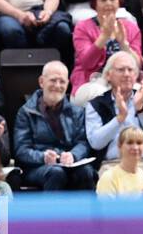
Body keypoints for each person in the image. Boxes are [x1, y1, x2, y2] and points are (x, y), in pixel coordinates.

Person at [13, 60, 97, 189]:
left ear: (68, 84)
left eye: (62, 81)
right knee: (56, 172)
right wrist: (43, 157)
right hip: (37, 167)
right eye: (53, 80)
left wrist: (73, 155)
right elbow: (21, 150)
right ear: (42, 82)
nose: (57, 85)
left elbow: (83, 143)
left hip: (69, 164)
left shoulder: (77, 111)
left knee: (86, 172)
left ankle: (86, 210)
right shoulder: (26, 112)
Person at [84, 49, 143, 176]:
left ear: (136, 75)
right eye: (121, 70)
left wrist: (141, 110)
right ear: (108, 75)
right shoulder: (96, 104)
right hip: (112, 165)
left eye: (130, 70)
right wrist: (119, 118)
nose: (127, 74)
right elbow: (96, 142)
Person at [71, 0, 141, 103]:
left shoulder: (131, 27)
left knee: (141, 94)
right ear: (95, 4)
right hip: (91, 81)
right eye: (103, 0)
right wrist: (104, 37)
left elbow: (137, 65)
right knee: (100, 95)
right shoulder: (82, 27)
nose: (108, 3)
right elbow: (87, 63)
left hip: (123, 81)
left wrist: (124, 44)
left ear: (119, 1)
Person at [95, 124, 143, 194]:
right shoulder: (108, 178)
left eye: (139, 143)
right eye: (130, 143)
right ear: (119, 146)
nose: (135, 148)